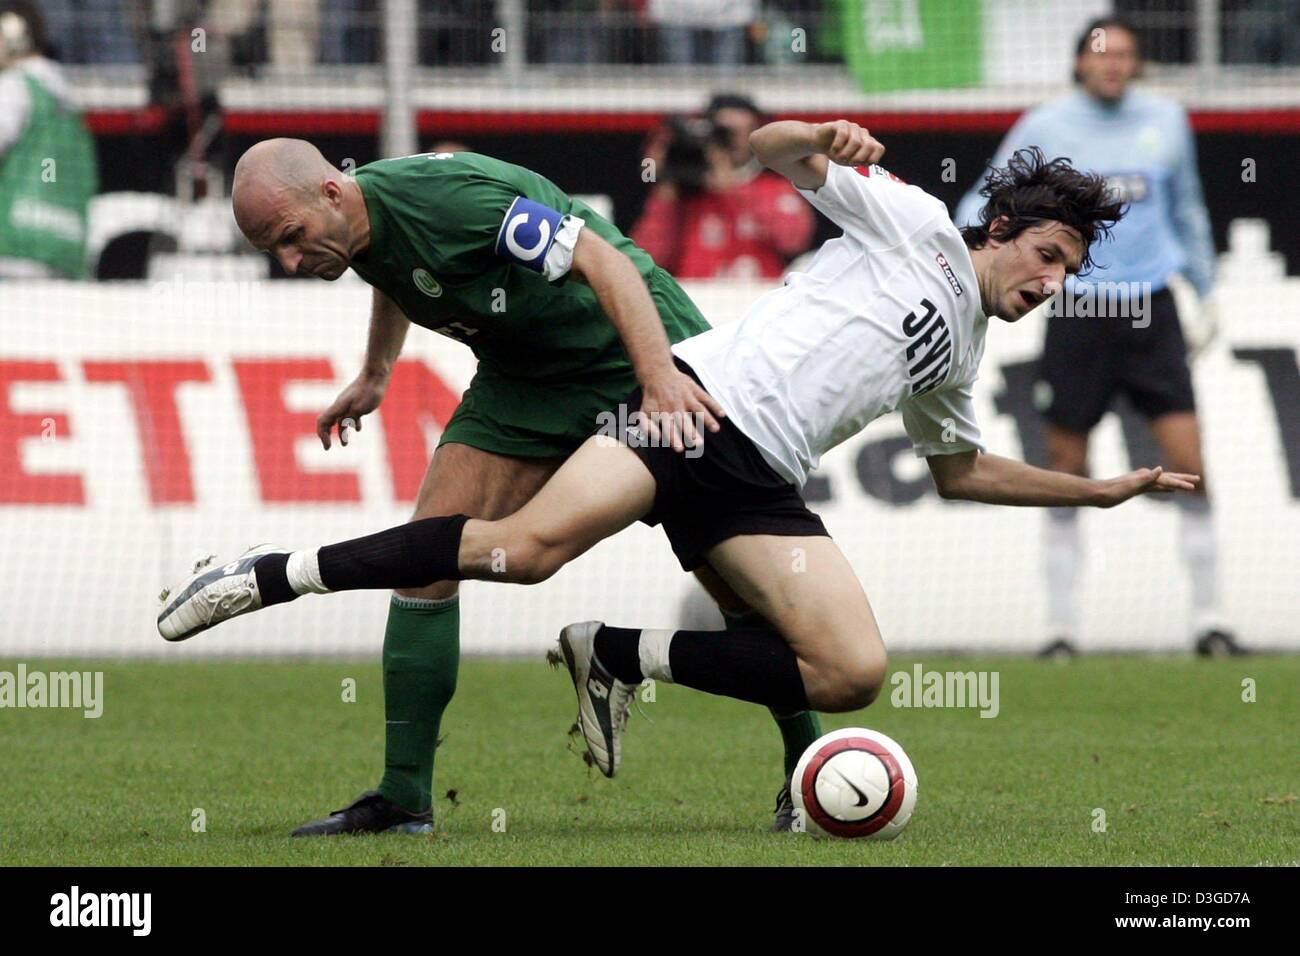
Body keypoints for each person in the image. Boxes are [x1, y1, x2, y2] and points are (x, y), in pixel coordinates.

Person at [159, 120, 1198, 816]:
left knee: (851, 669)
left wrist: (1100, 487)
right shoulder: (918, 225)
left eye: (1067, 272)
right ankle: (269, 579)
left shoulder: (961, 351)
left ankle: (617, 652)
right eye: (1049, 257)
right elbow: (764, 147)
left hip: (725, 439)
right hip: (692, 403)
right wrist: (820, 135)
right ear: (1003, 231)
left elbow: (958, 467)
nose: (1052, 284)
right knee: (516, 554)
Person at [180, 137, 828, 835]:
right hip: (524, 380)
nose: (290, 261)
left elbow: (603, 261)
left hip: (636, 355)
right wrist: (375, 373)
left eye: (292, 238)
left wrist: (661, 377)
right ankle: (403, 798)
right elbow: (392, 268)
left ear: (331, 193)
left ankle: (809, 770)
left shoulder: (454, 203)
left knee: (734, 581)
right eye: (274, 252)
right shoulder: (355, 222)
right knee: (425, 557)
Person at [956, 16, 1241, 657]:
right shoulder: (1046, 126)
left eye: (1125, 56)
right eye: (1101, 55)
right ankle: (1061, 631)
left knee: (1190, 463)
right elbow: (983, 198)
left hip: (1153, 309)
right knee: (1065, 466)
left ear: (1136, 64)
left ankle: (1211, 621)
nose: (1113, 65)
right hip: (1079, 309)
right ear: (1079, 63)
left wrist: (1207, 288)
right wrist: (971, 253)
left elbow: (1188, 208)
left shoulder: (1166, 120)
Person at [631, 93, 814, 279]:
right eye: (722, 133)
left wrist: (734, 188)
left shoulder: (774, 187)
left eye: (737, 133)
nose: (731, 141)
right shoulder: (686, 192)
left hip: (756, 295)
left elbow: (793, 240)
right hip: (697, 298)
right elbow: (649, 259)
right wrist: (661, 179)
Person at [0, 1, 98, 279]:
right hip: (64, 253)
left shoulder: (12, 87)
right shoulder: (68, 97)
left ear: (13, 35)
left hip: (10, 248)